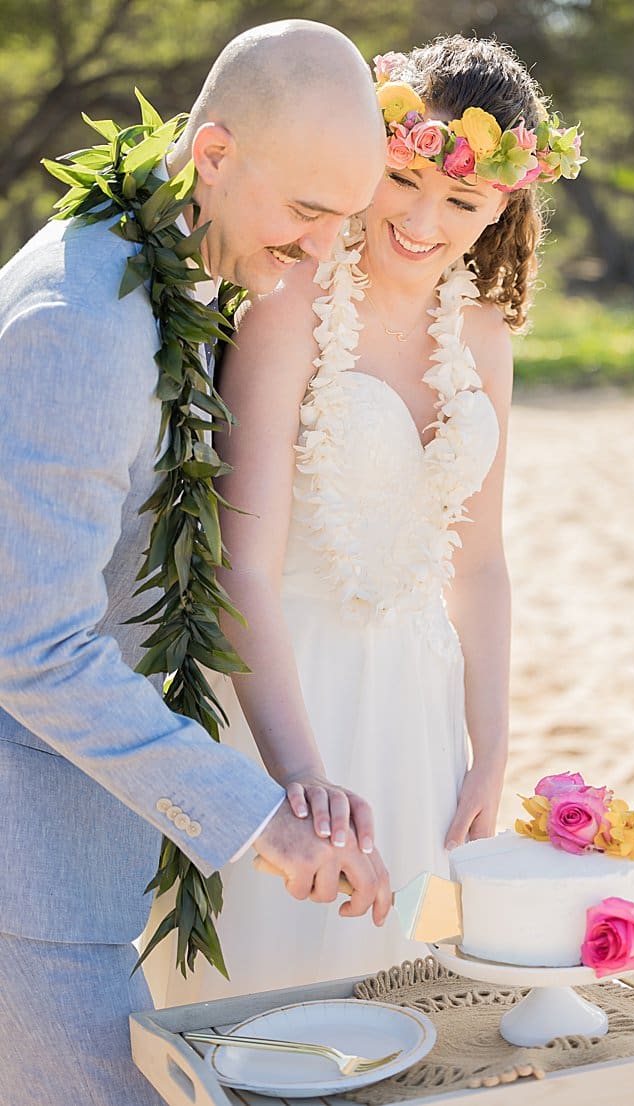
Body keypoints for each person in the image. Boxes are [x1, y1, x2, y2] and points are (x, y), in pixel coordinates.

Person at [0, 21, 396, 1106]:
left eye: (344, 221)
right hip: (28, 879)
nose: (323, 255)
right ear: (212, 154)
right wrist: (255, 816)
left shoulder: (167, 267)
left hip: (89, 843)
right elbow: (28, 644)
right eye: (309, 214)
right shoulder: (80, 316)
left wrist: (298, 774)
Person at [148, 34, 584, 1005]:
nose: (423, 219)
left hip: (417, 703)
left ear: (501, 205)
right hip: (286, 689)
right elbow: (241, 565)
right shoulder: (288, 299)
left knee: (394, 1002)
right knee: (271, 1001)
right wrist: (299, 778)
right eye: (403, 179)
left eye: (461, 201)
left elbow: (478, 565)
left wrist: (490, 744)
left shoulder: (484, 337)